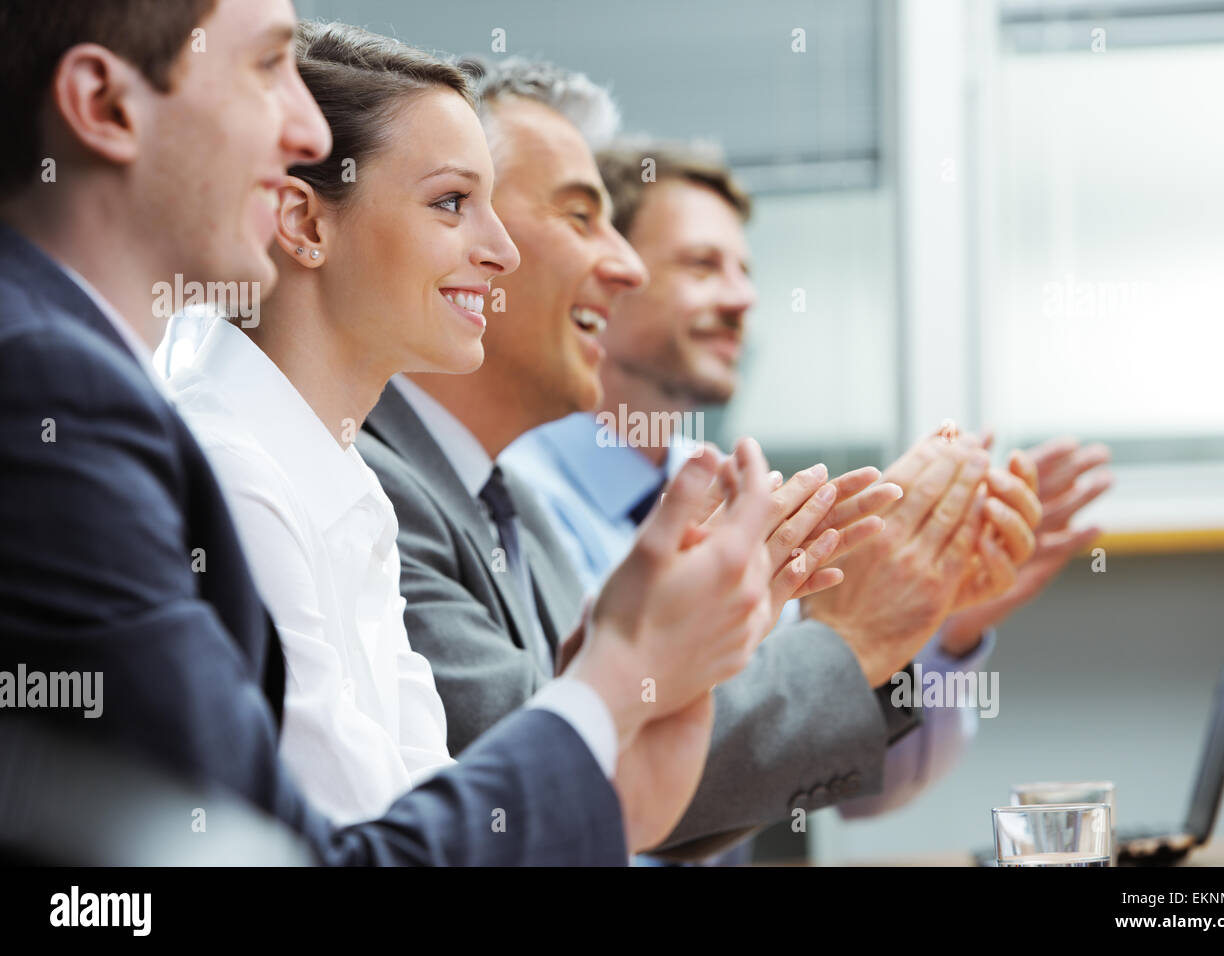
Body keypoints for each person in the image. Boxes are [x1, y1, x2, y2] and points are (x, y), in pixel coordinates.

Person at [0, 0, 779, 864]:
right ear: (305, 223)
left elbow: (404, 813)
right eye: (451, 202)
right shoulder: (199, 453)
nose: (503, 252)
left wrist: (616, 742)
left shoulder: (350, 481)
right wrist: (611, 687)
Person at [358, 56, 1037, 858]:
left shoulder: (517, 504)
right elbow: (563, 781)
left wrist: (920, 627)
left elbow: (653, 799)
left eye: (745, 269)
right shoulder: (384, 490)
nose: (623, 267)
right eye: (580, 219)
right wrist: (851, 640)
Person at [507, 141, 1082, 823]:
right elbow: (562, 795)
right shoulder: (510, 503)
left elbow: (849, 788)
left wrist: (939, 627)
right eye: (701, 265)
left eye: (745, 271)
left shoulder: (738, 493)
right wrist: (853, 639)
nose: (742, 298)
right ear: (609, 275)